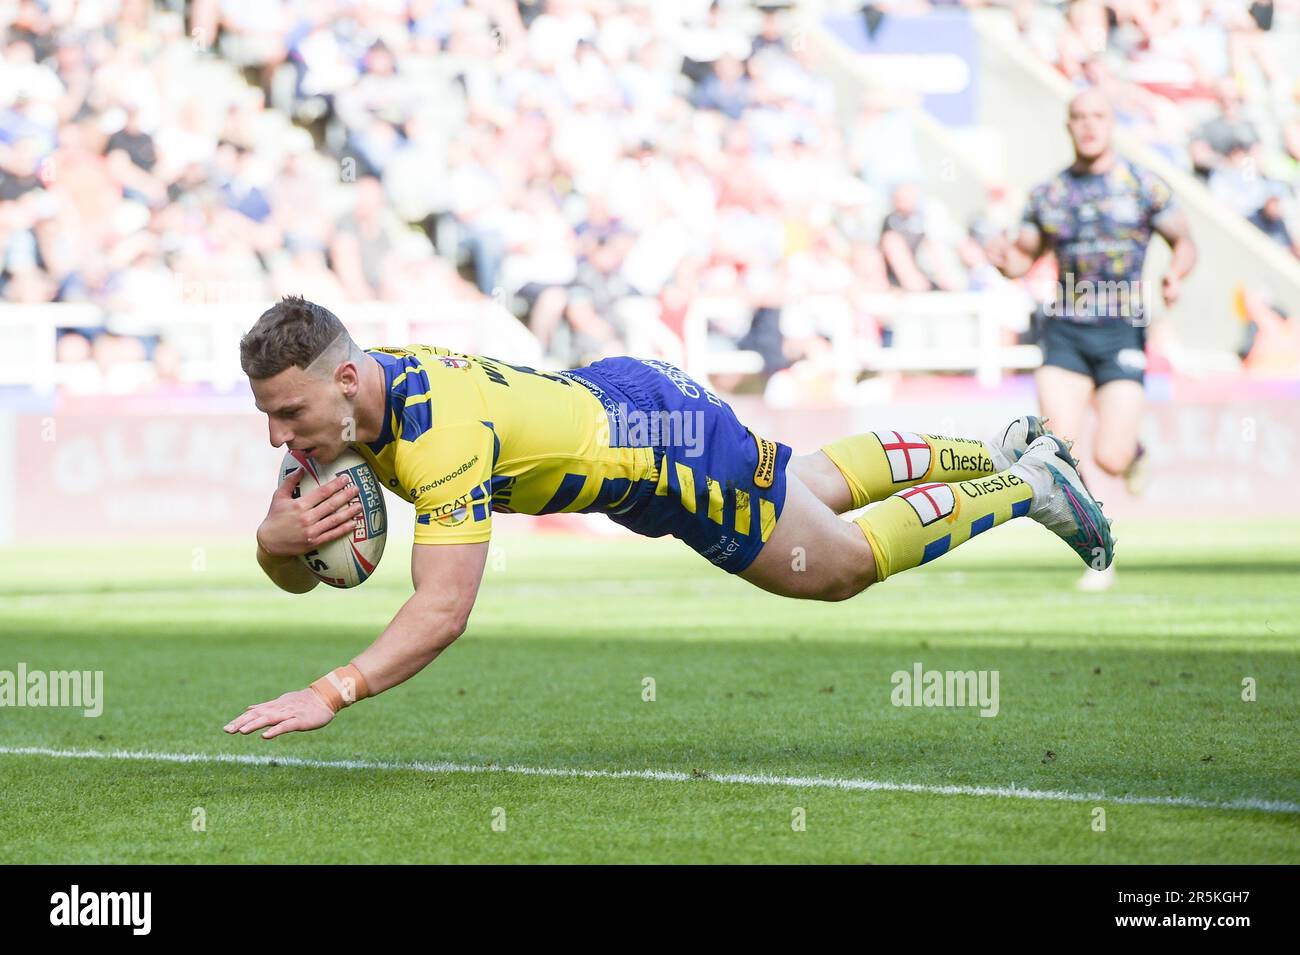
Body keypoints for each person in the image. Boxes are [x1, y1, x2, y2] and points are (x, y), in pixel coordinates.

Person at [223, 296, 1113, 739]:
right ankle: (996, 451)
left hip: (663, 454)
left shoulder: (436, 431)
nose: (277, 435)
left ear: (344, 379)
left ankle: (1027, 485)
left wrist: (331, 690)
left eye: (288, 414)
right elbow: (303, 566)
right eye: (268, 414)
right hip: (629, 399)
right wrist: (275, 546)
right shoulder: (344, 407)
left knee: (833, 565)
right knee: (805, 484)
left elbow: (444, 606)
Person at [985, 87, 1196, 591]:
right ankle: (1099, 554)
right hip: (1064, 333)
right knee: (1061, 447)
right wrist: (1002, 259)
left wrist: (1175, 275)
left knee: (1111, 457)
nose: (1088, 125)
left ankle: (1133, 453)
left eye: (1097, 115)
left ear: (1111, 121)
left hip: (1121, 330)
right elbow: (1023, 258)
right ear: (1068, 125)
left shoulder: (1144, 186)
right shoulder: (1050, 194)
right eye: (1078, 116)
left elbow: (1183, 241)